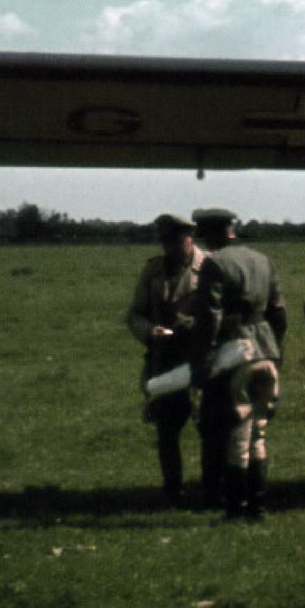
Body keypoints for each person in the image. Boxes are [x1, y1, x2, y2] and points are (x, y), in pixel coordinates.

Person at [189, 207, 287, 521]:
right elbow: (279, 314)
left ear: (213, 233)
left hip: (236, 356)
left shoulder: (215, 264)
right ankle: (258, 505)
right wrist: (274, 350)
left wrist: (203, 364)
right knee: (259, 432)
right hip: (266, 351)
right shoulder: (263, 260)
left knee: (237, 437)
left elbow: (209, 320)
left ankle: (236, 509)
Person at [125, 213, 207, 506]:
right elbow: (134, 314)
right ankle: (174, 491)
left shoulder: (209, 266)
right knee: (166, 431)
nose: (168, 246)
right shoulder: (153, 270)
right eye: (164, 240)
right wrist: (151, 332)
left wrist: (194, 326)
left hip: (199, 361)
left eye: (174, 239)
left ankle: (212, 489)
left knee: (209, 427)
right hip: (163, 361)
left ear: (190, 237)